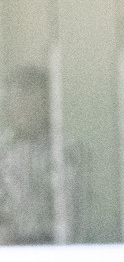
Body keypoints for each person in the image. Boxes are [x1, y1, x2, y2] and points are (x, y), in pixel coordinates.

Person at [0, 65, 92, 244]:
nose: (24, 110)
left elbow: (77, 216)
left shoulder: (68, 151)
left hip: (52, 251)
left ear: (48, 105)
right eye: (17, 102)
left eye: (32, 103)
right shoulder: (3, 150)